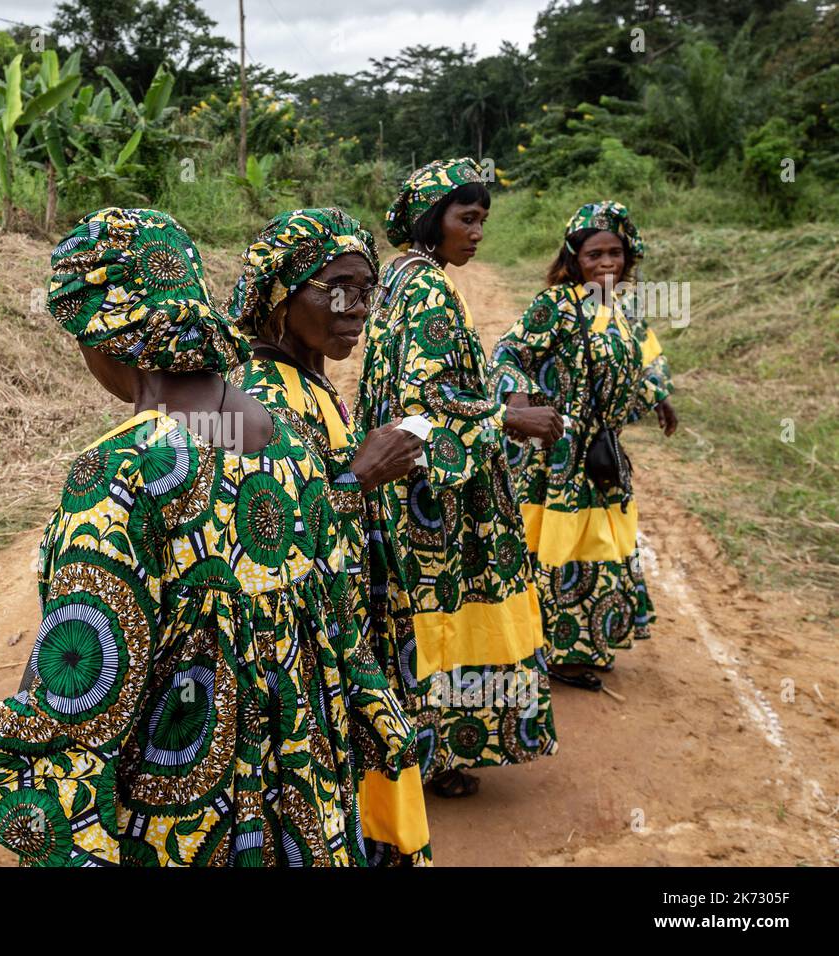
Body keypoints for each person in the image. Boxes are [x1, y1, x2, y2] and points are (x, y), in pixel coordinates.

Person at [0, 207, 414, 866]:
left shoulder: (124, 472)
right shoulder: (292, 442)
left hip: (188, 831)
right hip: (301, 820)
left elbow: (79, 707)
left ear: (103, 336)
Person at [227, 206, 431, 865]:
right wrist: (358, 481)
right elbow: (265, 546)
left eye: (367, 291)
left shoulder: (308, 377)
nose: (358, 308)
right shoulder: (262, 399)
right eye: (338, 288)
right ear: (280, 296)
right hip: (304, 652)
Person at [357, 158, 564, 799]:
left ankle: (406, 744)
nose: (477, 232)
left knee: (411, 614)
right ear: (431, 219)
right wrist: (510, 417)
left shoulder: (400, 277)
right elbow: (429, 400)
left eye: (483, 220)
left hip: (403, 476)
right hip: (433, 490)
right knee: (444, 611)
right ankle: (435, 750)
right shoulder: (429, 289)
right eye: (465, 218)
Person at [488, 200, 677, 689]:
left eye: (615, 253)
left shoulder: (625, 309)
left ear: (628, 257)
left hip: (602, 453)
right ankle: (558, 652)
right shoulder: (556, 306)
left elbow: (648, 359)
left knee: (600, 543)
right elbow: (509, 350)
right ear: (574, 257)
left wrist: (660, 398)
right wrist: (520, 397)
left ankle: (587, 641)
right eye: (595, 254)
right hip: (557, 454)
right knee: (560, 546)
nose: (607, 264)